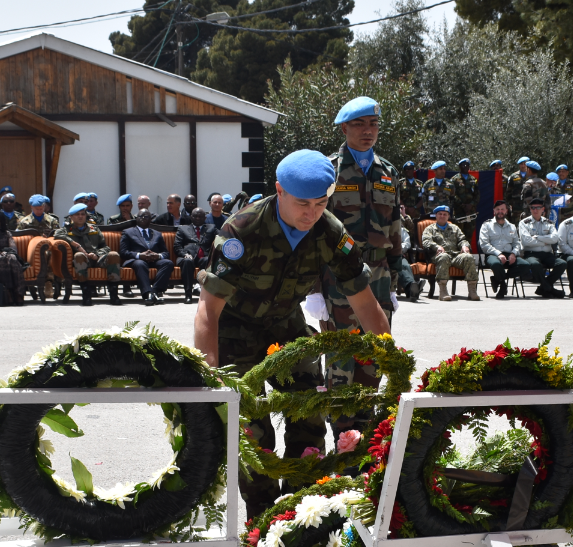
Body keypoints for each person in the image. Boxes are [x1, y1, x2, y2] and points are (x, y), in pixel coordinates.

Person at [192, 149, 390, 518]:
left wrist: (391, 357)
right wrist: (212, 377)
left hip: (285, 325)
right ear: (280, 190)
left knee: (310, 413)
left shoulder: (330, 231)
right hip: (234, 331)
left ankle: (300, 512)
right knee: (251, 431)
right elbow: (208, 310)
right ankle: (262, 517)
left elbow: (364, 302)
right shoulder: (242, 230)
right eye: (303, 203)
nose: (311, 214)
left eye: (321, 203)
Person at [325, 96, 409, 405]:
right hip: (339, 276)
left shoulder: (388, 171)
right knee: (341, 352)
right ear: (344, 128)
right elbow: (315, 228)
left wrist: (397, 274)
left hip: (379, 274)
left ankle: (364, 419)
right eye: (359, 124)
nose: (367, 130)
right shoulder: (330, 170)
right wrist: (314, 290)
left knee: (376, 351)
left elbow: (395, 225)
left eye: (373, 124)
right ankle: (340, 423)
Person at [55, 202, 122, 306]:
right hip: (82, 260)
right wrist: (74, 243)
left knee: (114, 255)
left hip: (97, 258)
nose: (80, 216)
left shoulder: (94, 229)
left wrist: (97, 255)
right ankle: (86, 295)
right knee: (78, 256)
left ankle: (114, 295)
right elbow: (57, 235)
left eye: (83, 214)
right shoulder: (67, 230)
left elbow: (105, 247)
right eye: (77, 214)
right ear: (71, 217)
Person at [15, 194, 70, 301]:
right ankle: (44, 281)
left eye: (41, 208)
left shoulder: (52, 220)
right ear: (31, 207)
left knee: (48, 253)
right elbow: (19, 239)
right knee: (42, 253)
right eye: (37, 209)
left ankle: (48, 282)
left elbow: (58, 235)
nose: (39, 211)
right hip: (31, 251)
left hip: (49, 249)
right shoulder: (24, 222)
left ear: (44, 206)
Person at [422, 205, 480, 301]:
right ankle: (443, 291)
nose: (442, 216)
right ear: (436, 215)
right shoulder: (430, 229)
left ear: (448, 216)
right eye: (440, 214)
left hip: (455, 256)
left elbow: (462, 239)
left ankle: (472, 291)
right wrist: (437, 247)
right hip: (439, 256)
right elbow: (426, 241)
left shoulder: (455, 228)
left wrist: (464, 245)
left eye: (445, 214)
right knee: (443, 257)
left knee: (468, 257)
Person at [119, 208, 172, 305]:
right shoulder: (128, 232)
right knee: (140, 264)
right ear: (136, 218)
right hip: (137, 260)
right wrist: (139, 255)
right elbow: (123, 252)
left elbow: (166, 253)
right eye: (141, 216)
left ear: (150, 219)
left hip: (154, 260)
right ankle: (147, 294)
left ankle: (154, 291)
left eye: (146, 216)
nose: (143, 218)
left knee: (168, 263)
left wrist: (157, 255)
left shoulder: (157, 234)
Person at [517, 200, 567, 298]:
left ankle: (544, 288)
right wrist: (546, 241)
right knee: (535, 264)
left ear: (543, 209)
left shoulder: (548, 223)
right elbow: (526, 241)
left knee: (562, 263)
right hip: (531, 253)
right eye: (533, 208)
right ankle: (549, 289)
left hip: (547, 254)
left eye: (538, 208)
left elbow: (555, 238)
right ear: (530, 209)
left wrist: (537, 237)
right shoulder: (524, 223)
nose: (535, 210)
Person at [478, 200, 525, 298]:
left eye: (502, 209)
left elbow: (517, 243)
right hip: (492, 255)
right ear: (494, 211)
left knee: (525, 265)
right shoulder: (486, 225)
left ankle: (497, 279)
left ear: (506, 211)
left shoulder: (512, 226)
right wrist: (498, 254)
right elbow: (484, 244)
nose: (500, 211)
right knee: (496, 264)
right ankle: (503, 285)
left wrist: (513, 253)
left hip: (509, 254)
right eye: (498, 209)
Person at [175, 207, 216, 303]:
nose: (197, 218)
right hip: (187, 256)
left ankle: (205, 293)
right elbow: (177, 246)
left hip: (204, 256)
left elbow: (221, 238)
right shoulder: (183, 228)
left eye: (200, 216)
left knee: (207, 260)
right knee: (187, 261)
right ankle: (188, 294)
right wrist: (184, 254)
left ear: (205, 218)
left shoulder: (211, 228)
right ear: (191, 217)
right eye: (195, 216)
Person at [0, 210, 26, 305]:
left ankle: (18, 294)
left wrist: (4, 252)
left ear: (1, 221)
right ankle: (8, 292)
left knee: (13, 258)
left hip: (5, 255)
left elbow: (13, 249)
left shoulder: (6, 234)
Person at [450, 157, 480, 234]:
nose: (465, 167)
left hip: (470, 212)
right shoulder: (454, 179)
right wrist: (463, 205)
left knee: (469, 234)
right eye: (463, 165)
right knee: (457, 234)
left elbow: (477, 195)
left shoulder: (473, 179)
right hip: (459, 211)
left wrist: (471, 205)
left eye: (467, 165)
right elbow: (452, 194)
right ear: (460, 166)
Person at [398, 160, 423, 243]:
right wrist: (405, 208)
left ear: (413, 170)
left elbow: (422, 199)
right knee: (404, 231)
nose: (408, 171)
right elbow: (397, 197)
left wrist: (414, 207)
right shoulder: (400, 183)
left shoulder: (419, 183)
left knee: (416, 232)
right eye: (406, 169)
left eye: (410, 168)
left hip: (416, 212)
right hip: (403, 212)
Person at [504, 156, 531, 220]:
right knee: (516, 222)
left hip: (528, 205)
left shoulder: (531, 175)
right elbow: (508, 191)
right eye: (521, 164)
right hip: (516, 205)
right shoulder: (514, 176)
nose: (523, 166)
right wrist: (511, 203)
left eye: (525, 164)